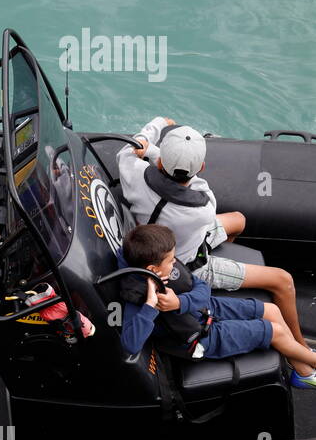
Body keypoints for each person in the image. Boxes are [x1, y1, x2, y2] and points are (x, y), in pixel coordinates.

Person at [118, 116, 307, 346]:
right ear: (201, 167)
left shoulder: (134, 175)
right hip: (187, 265)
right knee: (283, 280)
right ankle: (300, 344)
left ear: (159, 164)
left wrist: (154, 129)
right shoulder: (203, 210)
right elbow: (196, 189)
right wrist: (158, 153)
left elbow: (129, 150)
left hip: (161, 240)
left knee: (238, 220)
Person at [117, 224, 316, 388]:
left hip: (207, 308)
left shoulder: (154, 261)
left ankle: (303, 370)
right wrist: (151, 306)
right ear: (152, 269)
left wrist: (180, 302)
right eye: (170, 261)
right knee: (275, 331)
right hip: (202, 337)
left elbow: (202, 289)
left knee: (271, 310)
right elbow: (130, 344)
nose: (174, 263)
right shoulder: (139, 297)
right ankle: (308, 367)